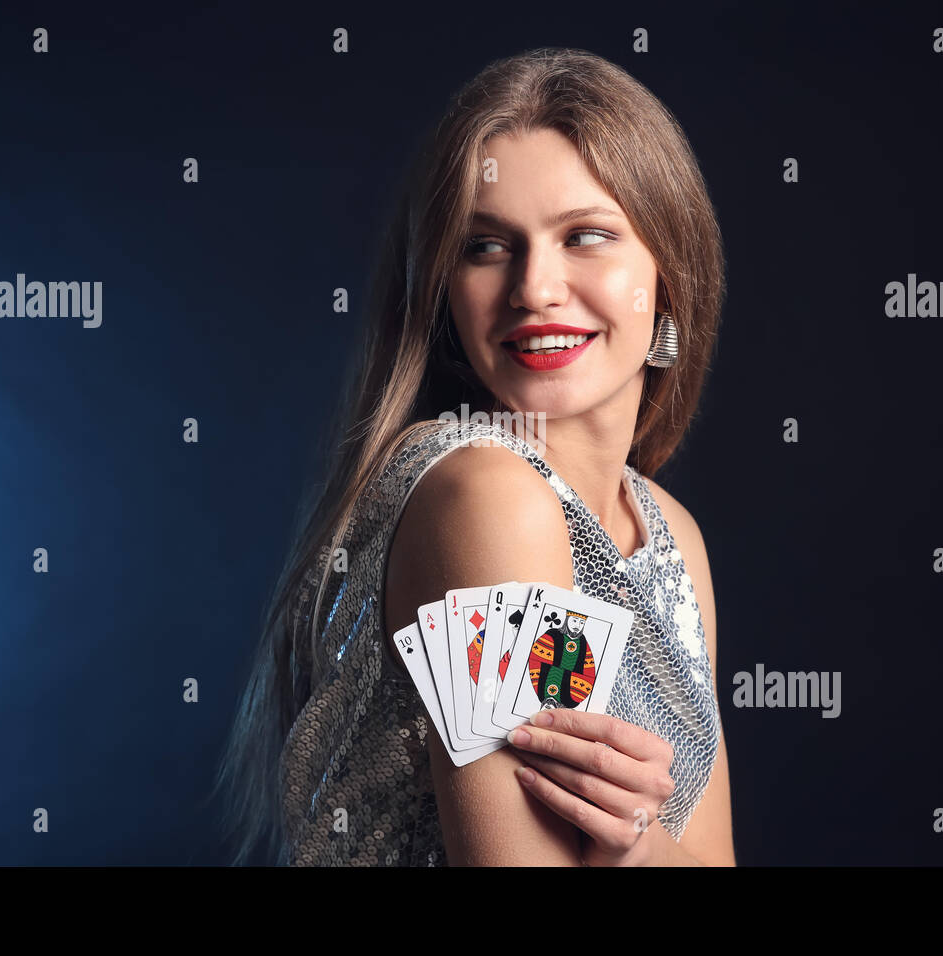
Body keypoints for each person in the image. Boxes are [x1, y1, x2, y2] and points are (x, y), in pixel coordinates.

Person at [215, 46, 734, 866]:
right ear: (444, 293)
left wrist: (631, 846)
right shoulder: (490, 496)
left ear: (671, 277)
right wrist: (634, 847)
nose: (536, 288)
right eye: (487, 247)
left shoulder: (672, 535)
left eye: (586, 236)